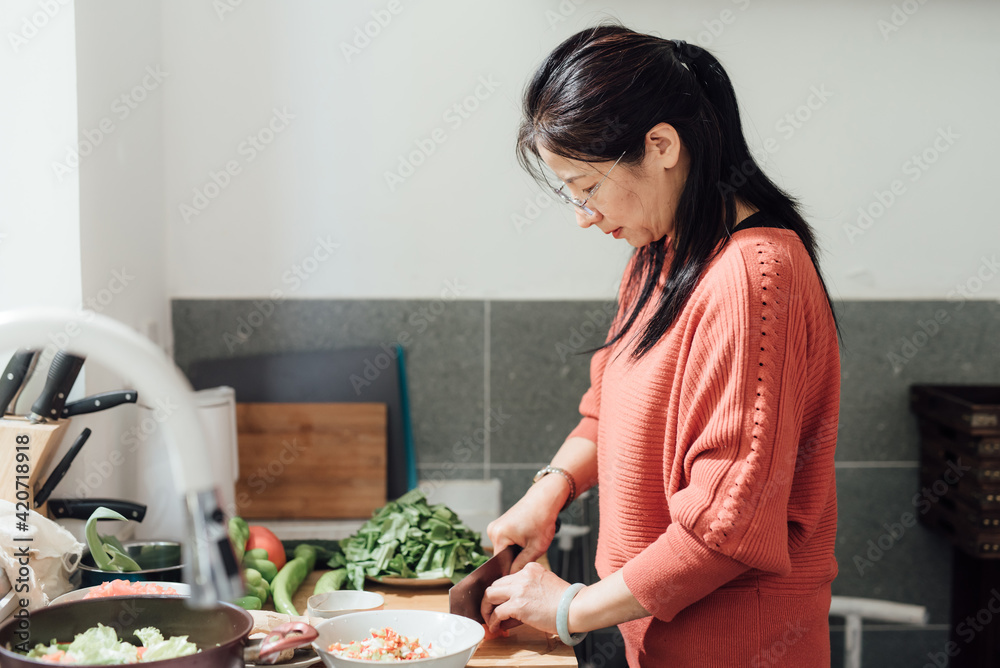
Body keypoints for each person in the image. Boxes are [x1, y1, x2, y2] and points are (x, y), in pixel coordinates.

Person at [482, 24, 842, 667]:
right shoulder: (659, 255)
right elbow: (606, 409)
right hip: (646, 636)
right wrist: (551, 489)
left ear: (661, 146)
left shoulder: (759, 277)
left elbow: (727, 531)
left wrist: (570, 610)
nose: (583, 216)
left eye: (588, 188)